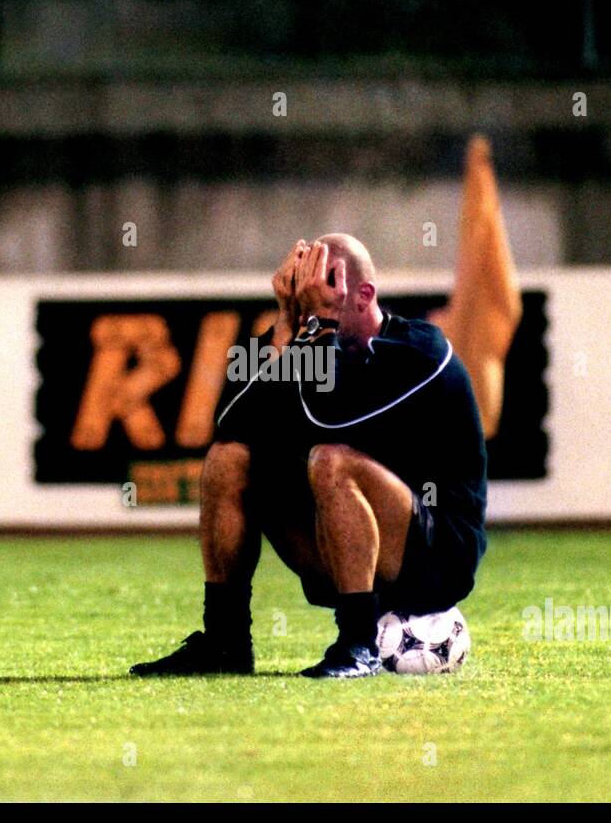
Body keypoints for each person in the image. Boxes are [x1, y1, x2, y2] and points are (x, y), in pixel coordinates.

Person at [131, 234, 489, 678]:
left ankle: (359, 644)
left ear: (365, 295)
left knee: (331, 461)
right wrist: (284, 324)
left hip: (437, 557)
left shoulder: (422, 353)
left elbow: (331, 422)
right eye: (304, 289)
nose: (310, 302)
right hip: (345, 547)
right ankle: (225, 641)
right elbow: (228, 422)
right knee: (229, 459)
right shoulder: (309, 340)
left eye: (325, 288)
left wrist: (319, 323)